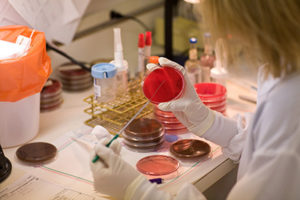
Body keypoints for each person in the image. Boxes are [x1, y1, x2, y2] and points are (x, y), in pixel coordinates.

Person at [90, 0, 300, 199]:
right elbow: (258, 139)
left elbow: (276, 138)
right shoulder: (283, 67)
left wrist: (136, 191)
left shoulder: (289, 103)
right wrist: (207, 121)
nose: (226, 33)